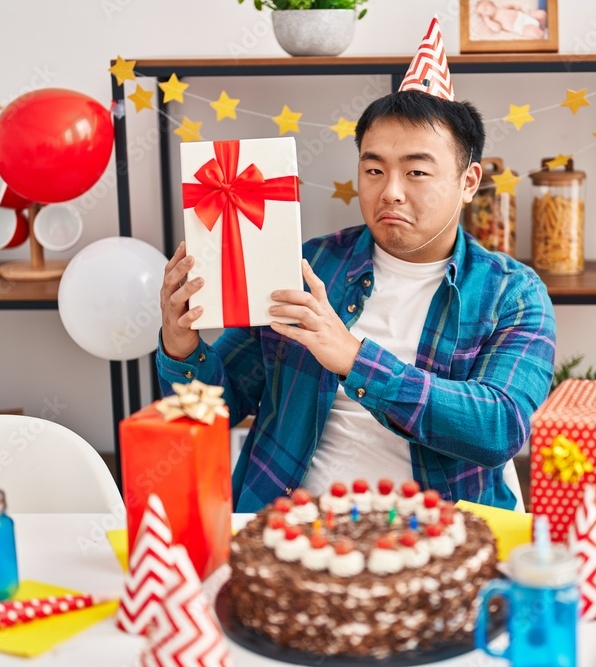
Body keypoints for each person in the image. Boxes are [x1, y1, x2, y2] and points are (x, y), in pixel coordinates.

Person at [157, 90, 556, 512]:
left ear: (468, 182)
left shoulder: (512, 294)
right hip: (287, 524)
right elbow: (216, 410)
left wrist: (354, 360)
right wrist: (181, 346)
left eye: (417, 172)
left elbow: (499, 429)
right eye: (373, 169)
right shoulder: (305, 267)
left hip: (440, 536)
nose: (391, 192)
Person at [474, 0, 547, 40]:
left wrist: (515, 7)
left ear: (492, 4)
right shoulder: (493, 20)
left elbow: (512, 6)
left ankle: (543, 27)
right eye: (482, 14)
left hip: (524, 16)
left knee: (542, 13)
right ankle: (543, 34)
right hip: (521, 26)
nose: (485, 12)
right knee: (532, 31)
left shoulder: (501, 7)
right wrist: (487, 20)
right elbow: (497, 28)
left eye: (485, 8)